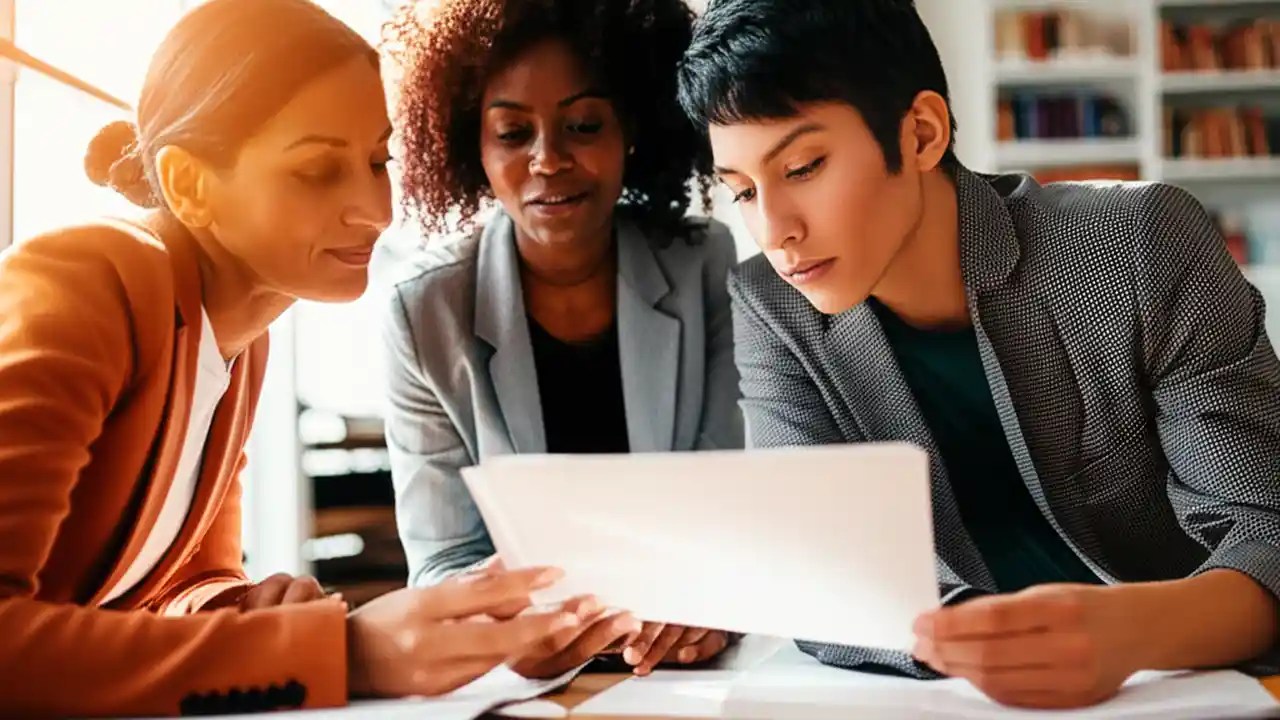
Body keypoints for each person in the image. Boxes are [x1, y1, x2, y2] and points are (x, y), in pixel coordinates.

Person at [677, 0, 1280, 710]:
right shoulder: (771, 307)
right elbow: (814, 571)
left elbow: (1266, 529)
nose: (774, 230)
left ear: (923, 133)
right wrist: (976, 637)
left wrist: (1131, 634)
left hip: (1180, 694)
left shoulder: (1138, 246)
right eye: (743, 191)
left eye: (804, 166)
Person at [0, 1, 584, 716]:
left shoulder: (239, 341)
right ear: (189, 185)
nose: (376, 209)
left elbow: (185, 584)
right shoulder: (89, 283)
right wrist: (343, 652)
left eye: (378, 161)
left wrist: (250, 608)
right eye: (316, 171)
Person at [382, 0, 743, 680]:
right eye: (513, 133)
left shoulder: (705, 266)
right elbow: (440, 562)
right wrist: (515, 628)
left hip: (680, 670)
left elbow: (727, 504)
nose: (548, 160)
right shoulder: (423, 311)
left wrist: (708, 602)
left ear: (631, 128)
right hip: (528, 681)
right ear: (473, 148)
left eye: (582, 125)